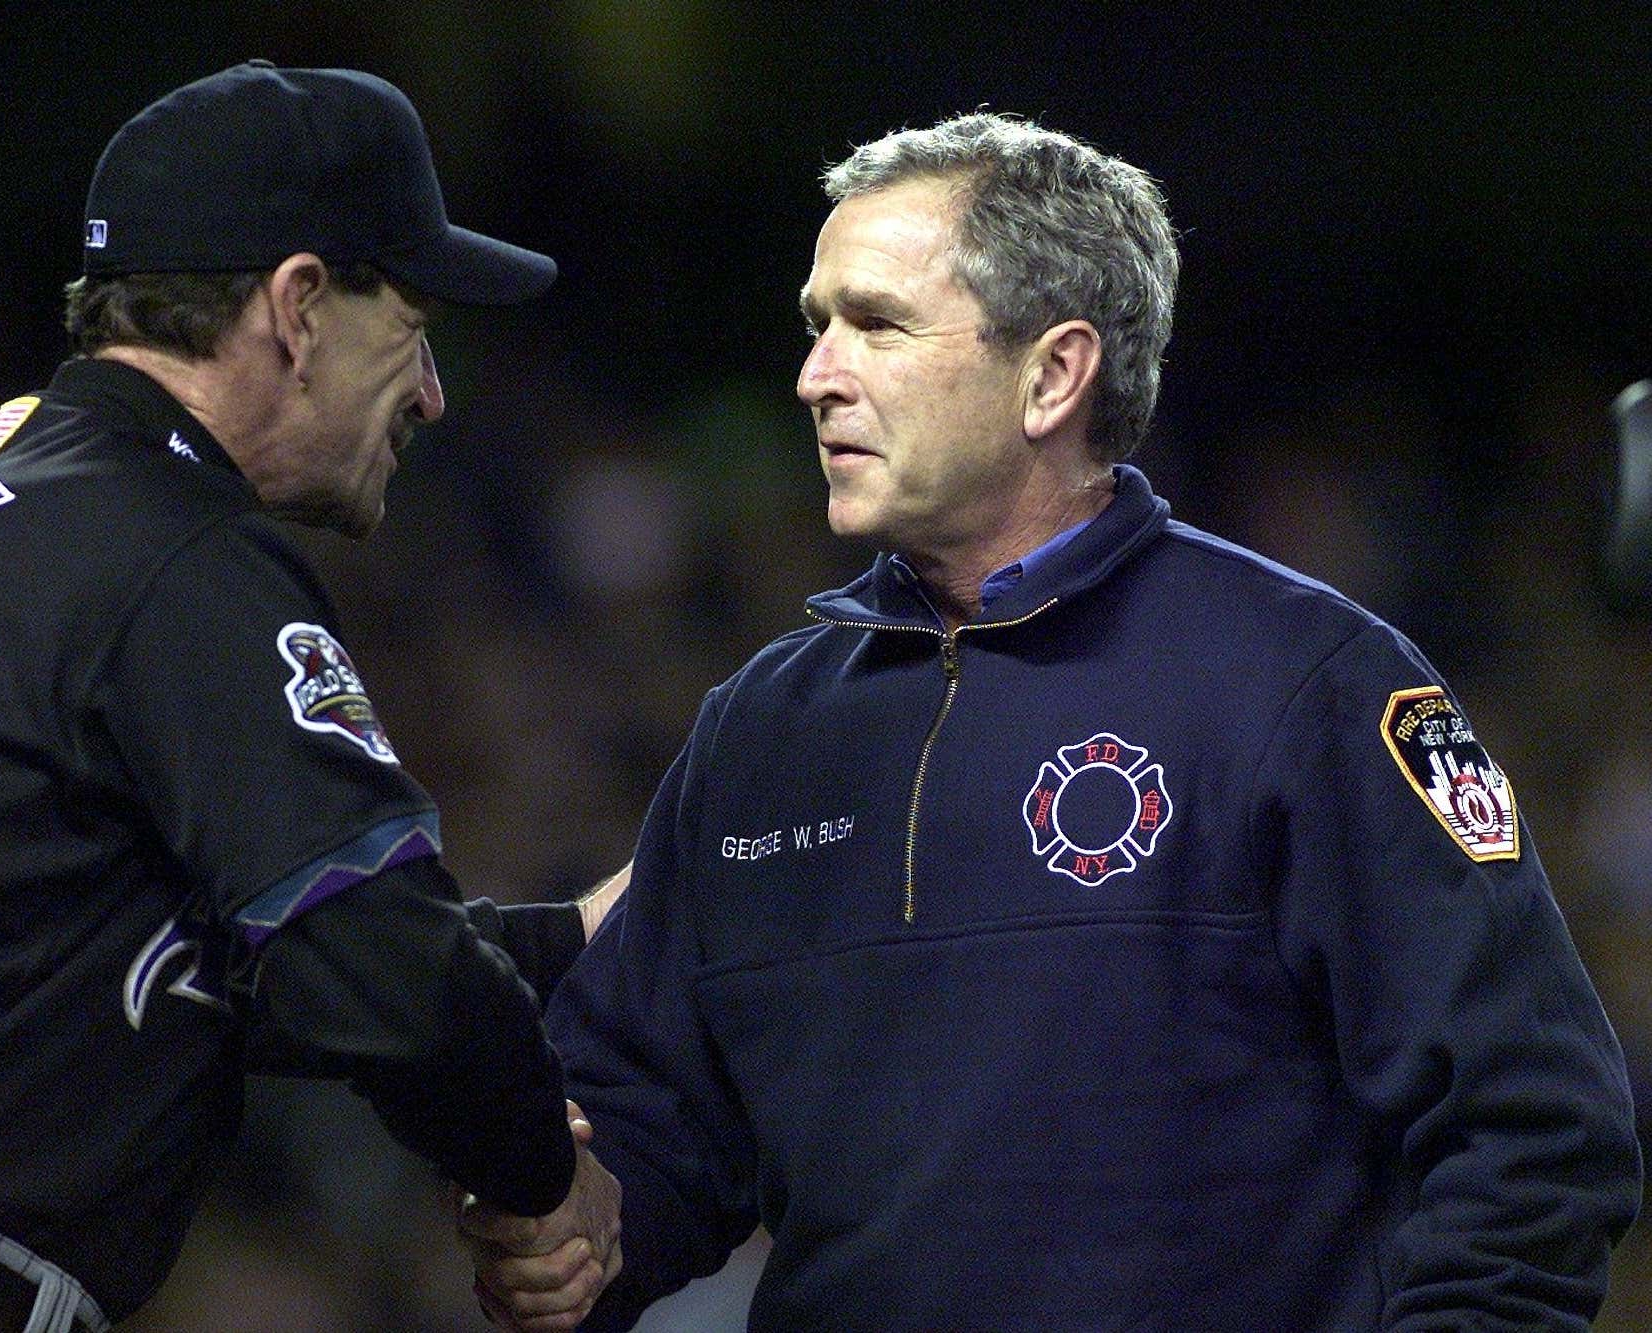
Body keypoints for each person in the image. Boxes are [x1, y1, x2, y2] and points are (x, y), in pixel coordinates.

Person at [465, 113, 1643, 1331]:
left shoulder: (1306, 684)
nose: (816, 372)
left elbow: (1529, 1128)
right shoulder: (760, 729)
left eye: (874, 322)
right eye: (817, 325)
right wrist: (578, 1227)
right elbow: (654, 1126)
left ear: (1052, 374)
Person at [0, 62, 623, 1333]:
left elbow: (162, 971)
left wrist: (565, 940)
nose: (432, 394)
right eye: (414, 327)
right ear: (298, 306)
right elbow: (380, 980)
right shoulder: (173, 547)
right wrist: (549, 1183)